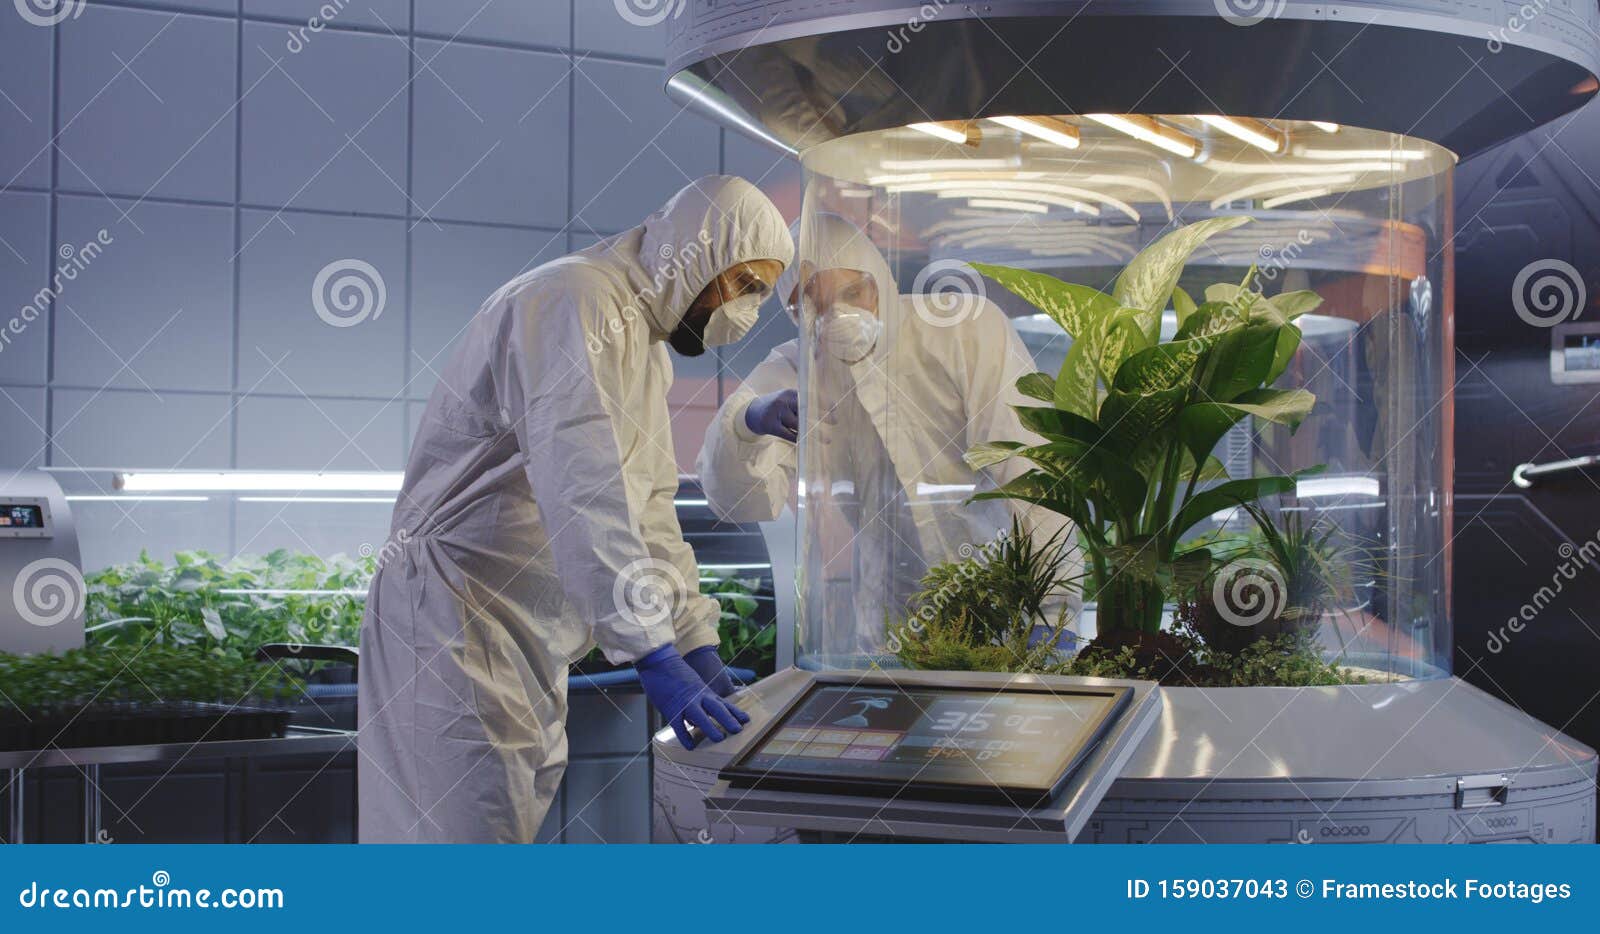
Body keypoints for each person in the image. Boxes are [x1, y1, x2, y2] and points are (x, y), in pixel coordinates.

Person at [358, 176, 793, 843]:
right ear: (697, 253)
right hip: (453, 618)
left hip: (518, 629)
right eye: (743, 284)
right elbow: (583, 488)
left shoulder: (640, 344)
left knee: (493, 835)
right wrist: (651, 653)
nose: (746, 310)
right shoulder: (575, 300)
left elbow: (646, 508)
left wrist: (692, 638)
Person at [697, 214, 1077, 656]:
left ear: (882, 280)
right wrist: (748, 422)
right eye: (813, 304)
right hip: (893, 628)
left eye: (854, 292)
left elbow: (1031, 473)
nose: (837, 313)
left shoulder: (961, 332)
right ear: (794, 313)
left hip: (1009, 613)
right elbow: (737, 500)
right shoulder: (798, 371)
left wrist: (1054, 614)